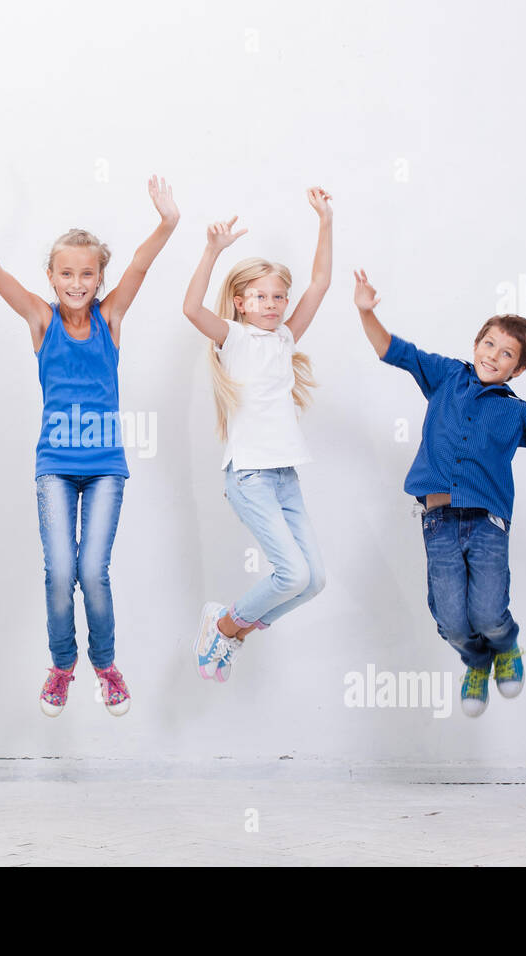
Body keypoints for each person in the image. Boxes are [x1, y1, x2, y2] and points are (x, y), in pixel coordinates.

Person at [0, 176, 179, 717]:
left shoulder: (110, 318)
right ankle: (62, 664)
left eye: (87, 273)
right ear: (51, 277)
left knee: (92, 570)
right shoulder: (41, 319)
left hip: (104, 469)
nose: (77, 282)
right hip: (54, 466)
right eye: (66, 273)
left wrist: (167, 223)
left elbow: (141, 267)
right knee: (59, 570)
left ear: (100, 278)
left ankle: (106, 666)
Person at [353, 268, 526, 716]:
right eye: (489, 344)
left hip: (487, 523)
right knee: (452, 619)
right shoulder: (445, 377)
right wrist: (365, 311)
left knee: (490, 613)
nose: (494, 356)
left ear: (520, 367)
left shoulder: (518, 412)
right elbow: (391, 350)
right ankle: (476, 661)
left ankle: (505, 645)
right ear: (477, 344)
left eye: (507, 353)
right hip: (437, 521)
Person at [182, 190, 334, 682]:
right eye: (261, 297)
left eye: (278, 297)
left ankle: (229, 633)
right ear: (241, 303)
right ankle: (222, 625)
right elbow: (190, 308)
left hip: (285, 476)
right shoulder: (235, 338)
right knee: (291, 573)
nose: (272, 304)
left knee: (313, 582)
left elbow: (322, 283)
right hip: (249, 477)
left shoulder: (286, 338)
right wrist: (211, 251)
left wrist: (326, 221)